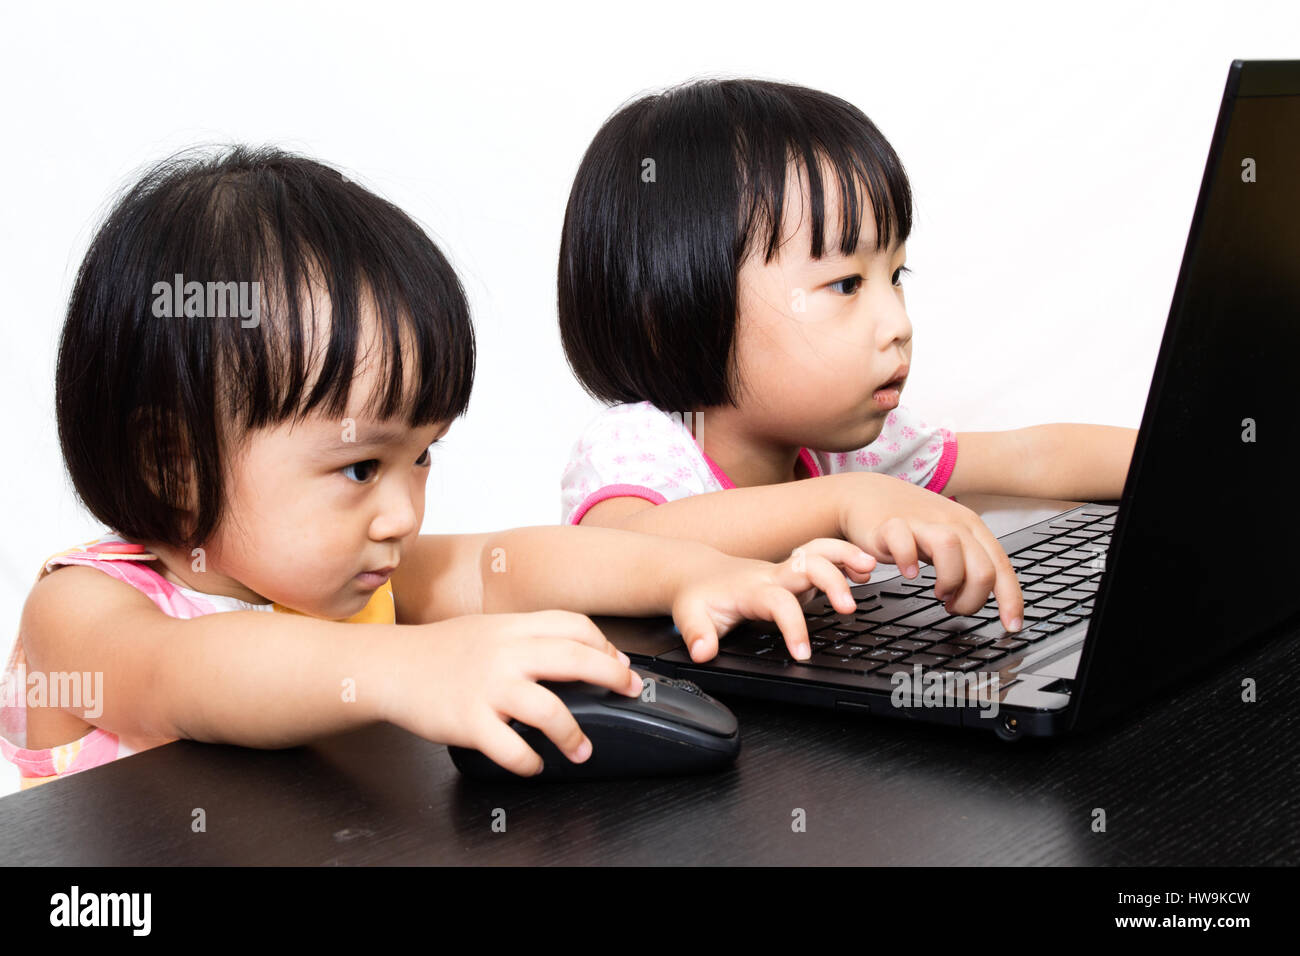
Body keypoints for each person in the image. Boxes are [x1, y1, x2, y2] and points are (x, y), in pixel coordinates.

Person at [0, 145, 877, 790]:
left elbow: (513, 563)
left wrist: (699, 574)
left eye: (420, 456)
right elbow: (186, 676)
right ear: (175, 466)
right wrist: (411, 668)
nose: (402, 514)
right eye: (358, 468)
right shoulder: (82, 614)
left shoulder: (349, 573)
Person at [558, 77, 1136, 630]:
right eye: (846, 284)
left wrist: (1193, 448)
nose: (899, 324)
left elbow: (1032, 456)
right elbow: (612, 551)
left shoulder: (849, 454)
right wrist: (845, 502)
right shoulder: (645, 445)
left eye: (896, 274)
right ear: (678, 305)